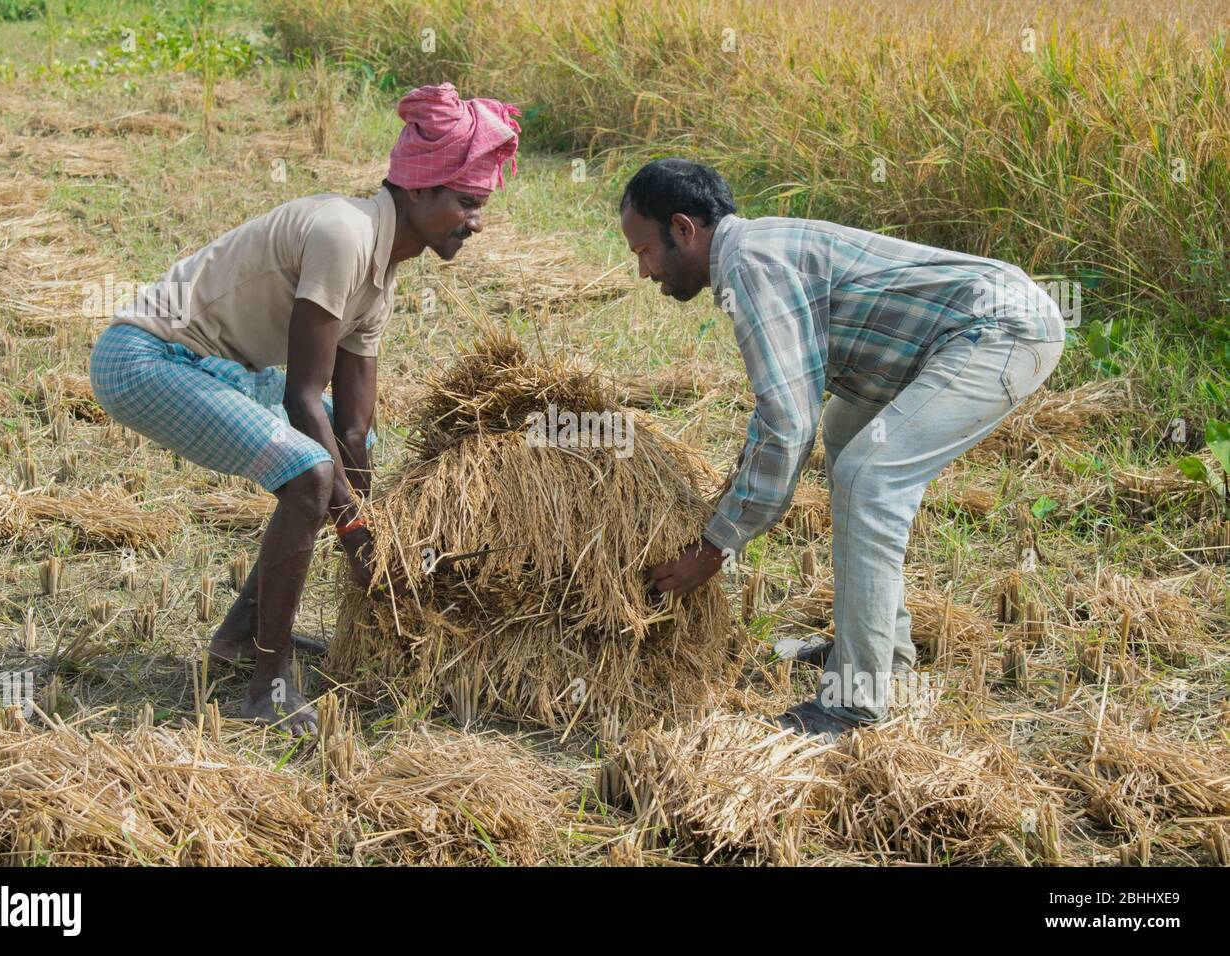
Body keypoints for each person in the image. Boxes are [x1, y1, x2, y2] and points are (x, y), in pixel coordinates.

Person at [90, 83, 521, 736]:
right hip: (144, 358)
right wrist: (353, 529)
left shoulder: (379, 274)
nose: (476, 222)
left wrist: (375, 522)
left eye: (480, 205)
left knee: (331, 465)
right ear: (420, 189)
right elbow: (299, 399)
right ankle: (265, 686)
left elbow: (351, 423)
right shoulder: (343, 236)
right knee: (312, 477)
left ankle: (238, 640)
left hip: (214, 368)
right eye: (466, 202)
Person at [621, 158, 1065, 736]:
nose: (642, 270)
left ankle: (854, 703)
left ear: (683, 229)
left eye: (643, 251)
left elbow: (785, 423)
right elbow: (785, 412)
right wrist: (728, 506)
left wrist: (712, 549)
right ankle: (887, 652)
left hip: (1000, 330)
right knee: (845, 434)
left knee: (868, 477)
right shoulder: (752, 253)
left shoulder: (750, 266)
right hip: (941, 339)